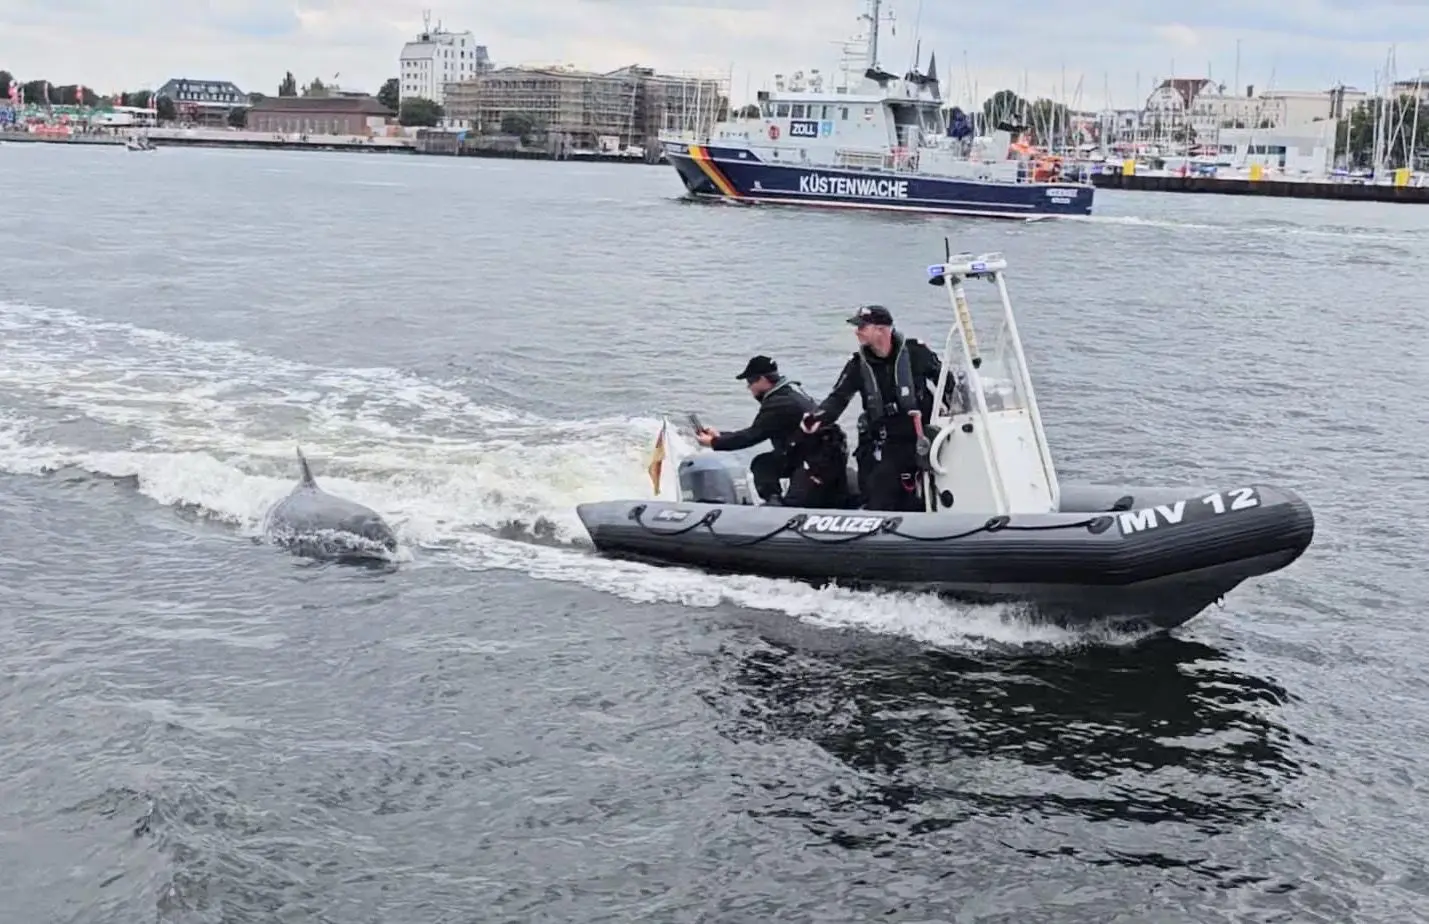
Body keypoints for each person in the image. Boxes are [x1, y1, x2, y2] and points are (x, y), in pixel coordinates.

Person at [802, 305, 944, 511]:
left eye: (862, 326)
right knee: (879, 486)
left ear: (882, 329)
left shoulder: (916, 352)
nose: (857, 331)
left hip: (922, 434)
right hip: (887, 439)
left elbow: (946, 382)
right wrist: (817, 418)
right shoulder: (858, 365)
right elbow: (838, 398)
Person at [696, 355, 850, 507]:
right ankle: (774, 501)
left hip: (818, 461)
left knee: (795, 503)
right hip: (803, 454)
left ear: (763, 380)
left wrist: (715, 442)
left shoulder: (780, 403)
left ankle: (783, 507)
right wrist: (720, 436)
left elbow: (752, 436)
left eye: (750, 381)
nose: (748, 387)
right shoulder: (787, 392)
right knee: (764, 464)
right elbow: (758, 429)